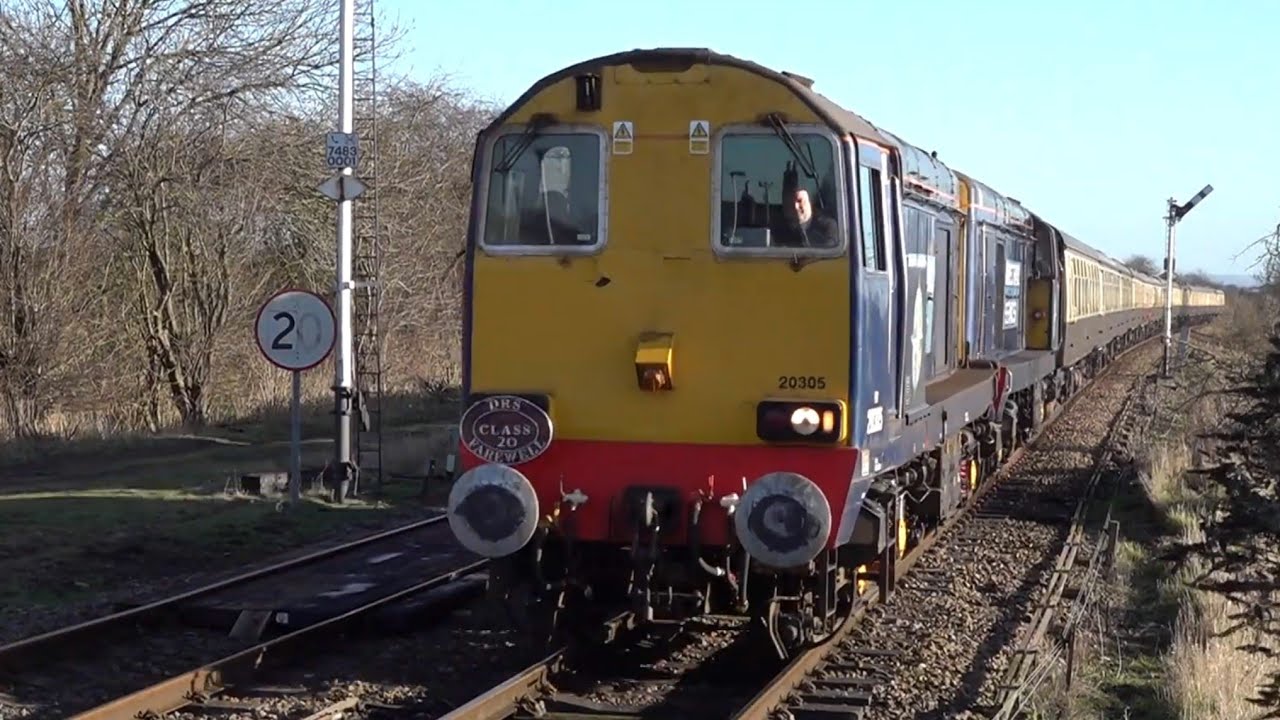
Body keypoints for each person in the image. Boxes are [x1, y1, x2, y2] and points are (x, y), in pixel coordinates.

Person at [774, 185, 839, 248]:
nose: (796, 207)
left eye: (799, 201)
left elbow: (827, 256)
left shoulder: (827, 227)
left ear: (809, 202)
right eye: (790, 203)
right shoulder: (776, 229)